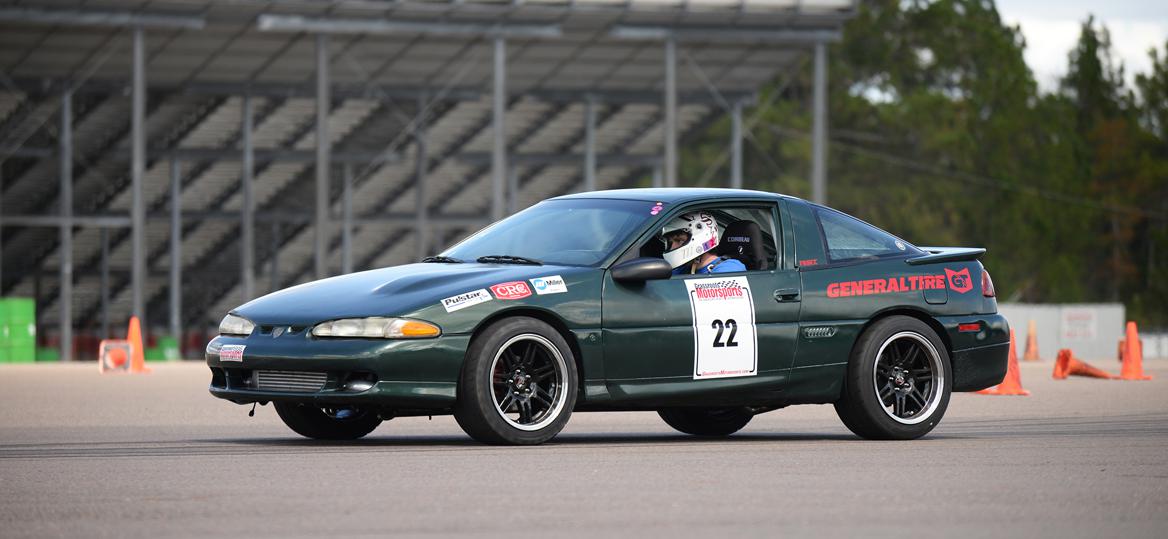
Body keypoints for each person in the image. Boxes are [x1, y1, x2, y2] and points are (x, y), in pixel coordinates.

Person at [661, 212, 747, 275]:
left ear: (701, 237)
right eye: (670, 242)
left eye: (679, 240)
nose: (672, 247)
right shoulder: (681, 270)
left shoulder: (730, 268)